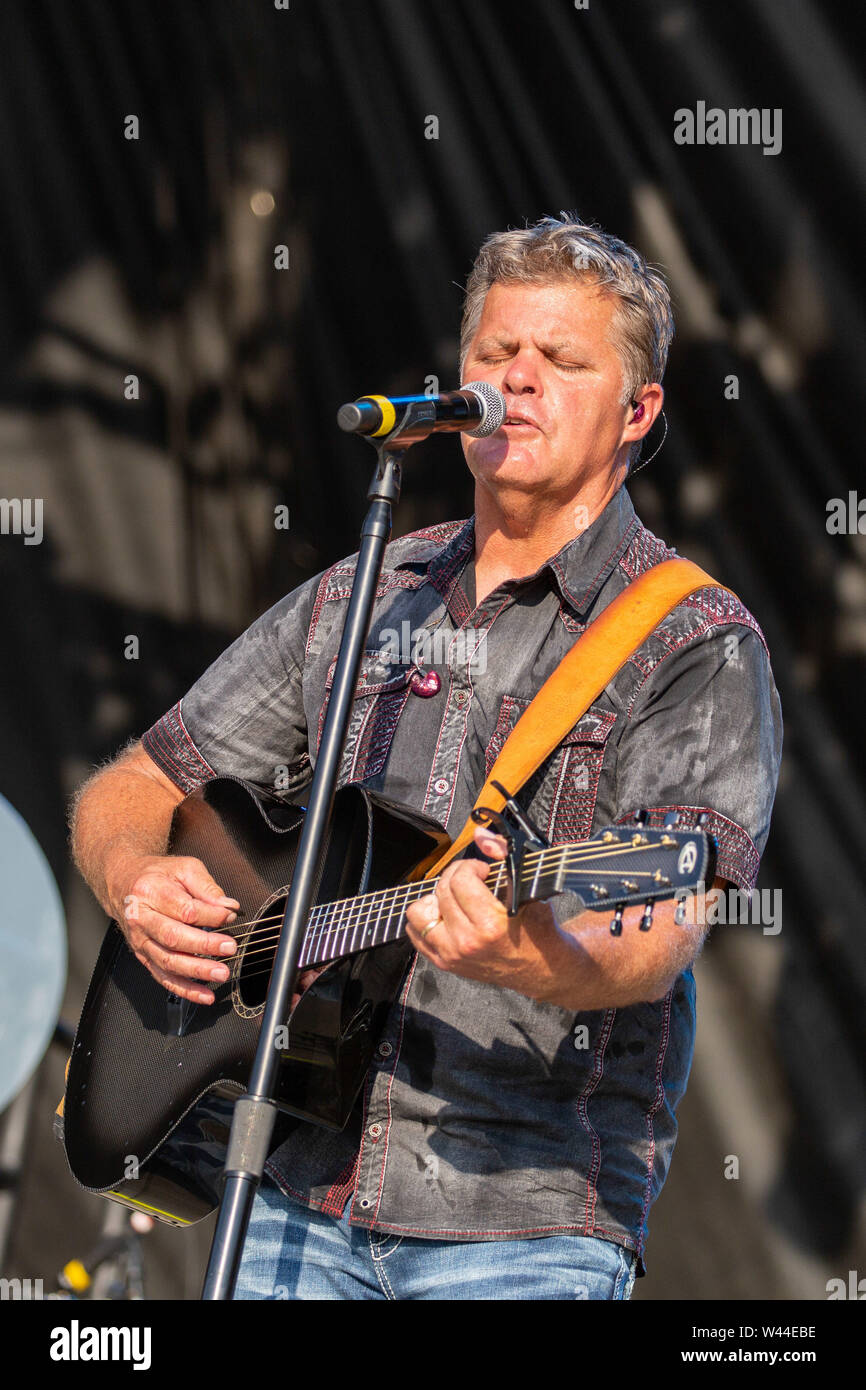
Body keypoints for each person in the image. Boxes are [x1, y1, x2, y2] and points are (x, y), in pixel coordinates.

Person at [70, 214, 782, 1300]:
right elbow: (136, 781)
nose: (519, 378)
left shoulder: (691, 640)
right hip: (293, 1187)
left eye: (561, 359)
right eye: (495, 354)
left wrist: (516, 956)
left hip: (521, 1216)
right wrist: (135, 878)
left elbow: (658, 926)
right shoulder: (369, 588)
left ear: (637, 411)